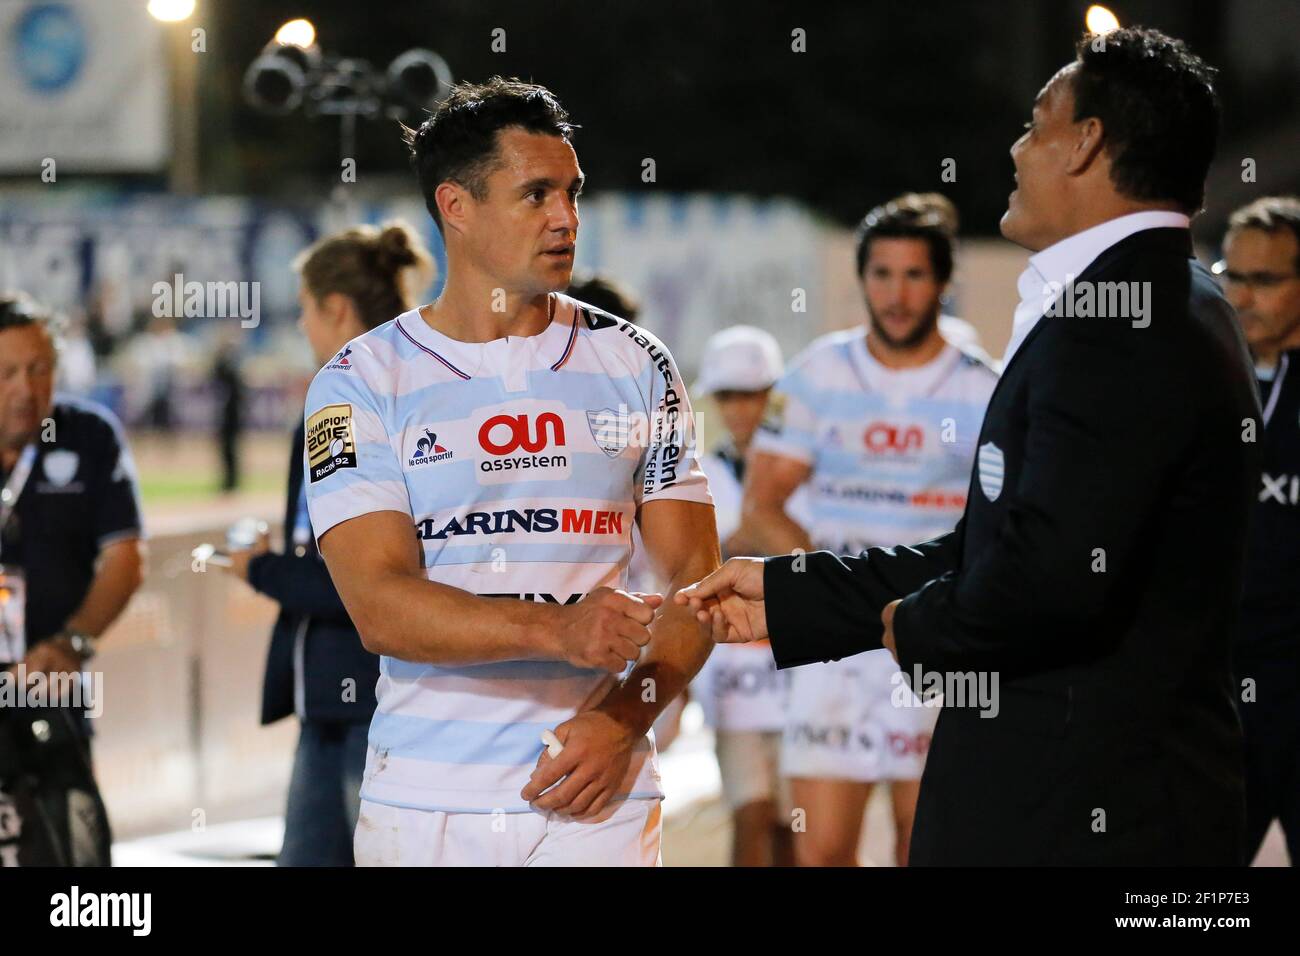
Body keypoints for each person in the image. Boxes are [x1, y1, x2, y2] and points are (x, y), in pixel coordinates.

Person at [680, 27, 1260, 866]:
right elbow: (996, 548)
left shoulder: (1123, 320)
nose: (1017, 147)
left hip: (1087, 811)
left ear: (1087, 143)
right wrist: (793, 594)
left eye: (1035, 124)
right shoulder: (1165, 296)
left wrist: (909, 625)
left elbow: (1051, 576)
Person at [304, 77, 719, 866]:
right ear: (456, 207)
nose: (565, 218)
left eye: (571, 192)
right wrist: (559, 628)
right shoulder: (360, 380)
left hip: (601, 786)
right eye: (535, 195)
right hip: (427, 798)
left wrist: (624, 719)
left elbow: (694, 583)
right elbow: (380, 607)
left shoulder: (638, 363)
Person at [737, 194, 997, 866]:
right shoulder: (820, 373)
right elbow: (762, 507)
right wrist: (839, 591)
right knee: (821, 854)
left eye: (914, 275)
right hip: (841, 649)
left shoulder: (982, 388)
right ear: (862, 281)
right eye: (881, 274)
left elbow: (1003, 526)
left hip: (936, 636)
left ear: (942, 282)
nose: (896, 294)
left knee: (929, 848)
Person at [218, 222, 433, 866]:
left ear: (334, 308)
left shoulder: (347, 406)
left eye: (306, 311)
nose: (304, 330)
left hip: (374, 704)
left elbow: (362, 584)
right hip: (340, 704)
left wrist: (259, 568)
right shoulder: (404, 389)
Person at [0, 292, 146, 866]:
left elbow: (125, 558)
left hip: (50, 698)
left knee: (74, 864)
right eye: (7, 371)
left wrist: (73, 641)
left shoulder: (88, 436)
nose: (24, 388)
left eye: (39, 369)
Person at [691, 325, 804, 866]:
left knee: (793, 826)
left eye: (750, 394)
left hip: (802, 671)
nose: (739, 409)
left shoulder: (805, 470)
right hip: (733, 676)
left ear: (772, 395)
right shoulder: (702, 473)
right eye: (728, 396)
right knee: (750, 814)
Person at [1217, 196, 1300, 864]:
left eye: (1263, 279)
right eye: (1230, 273)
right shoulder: (1206, 375)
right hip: (1219, 693)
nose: (1239, 294)